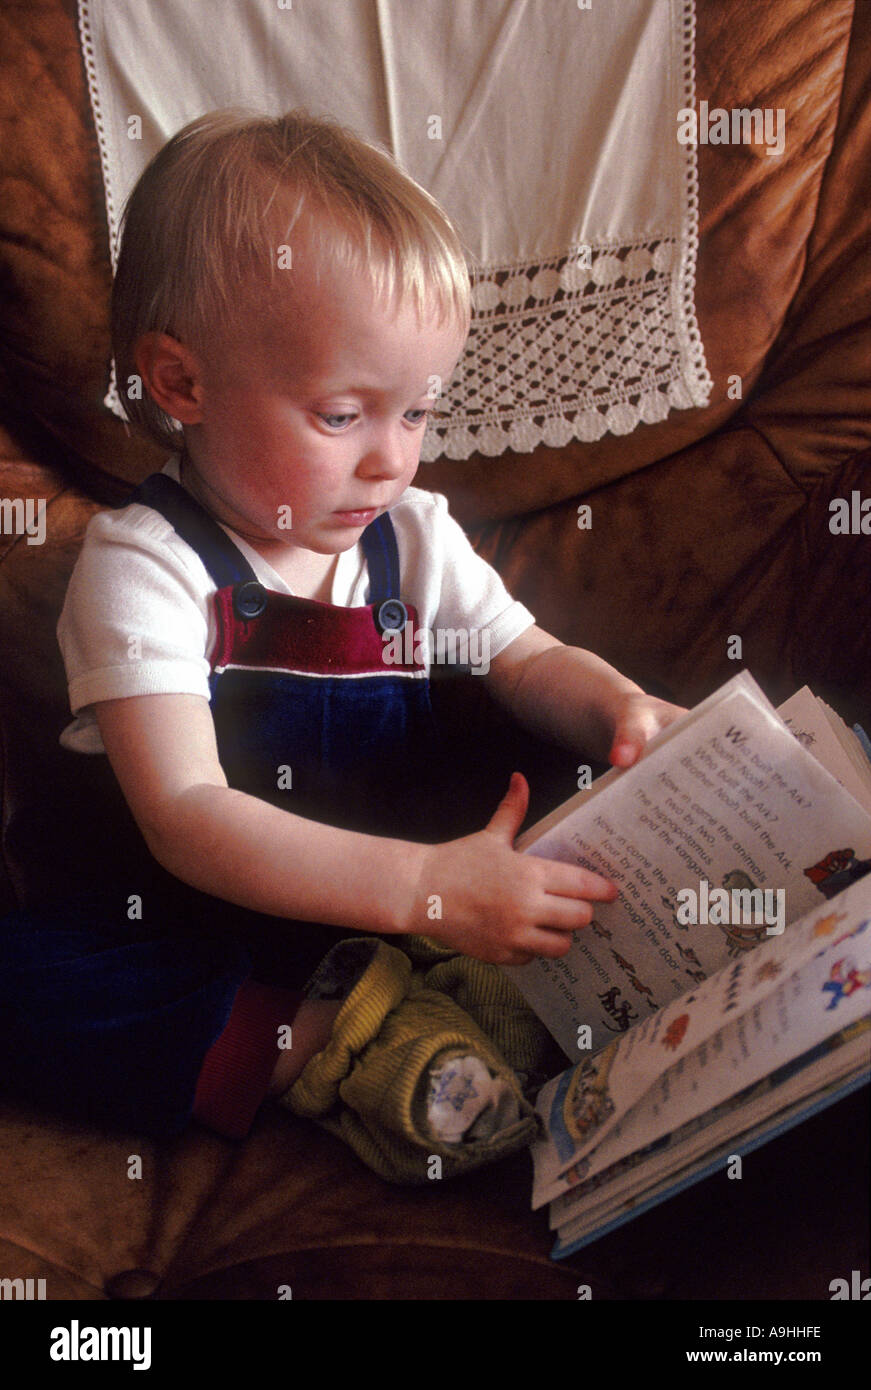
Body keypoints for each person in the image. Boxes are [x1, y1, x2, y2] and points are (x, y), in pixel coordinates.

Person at [8, 109, 685, 1183]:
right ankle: (331, 1044)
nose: (390, 463)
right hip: (200, 927)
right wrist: (425, 889)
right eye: (341, 415)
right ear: (181, 384)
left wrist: (623, 708)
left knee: (566, 769)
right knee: (27, 983)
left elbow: (526, 653)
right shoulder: (145, 566)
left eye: (415, 412)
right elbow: (188, 820)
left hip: (428, 873)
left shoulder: (407, 533)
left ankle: (447, 984)